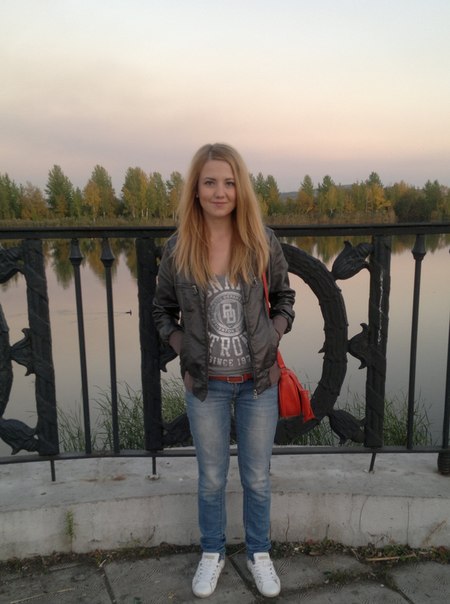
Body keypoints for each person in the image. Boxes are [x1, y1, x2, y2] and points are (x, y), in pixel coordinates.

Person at [153, 143, 295, 598]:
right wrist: (183, 347)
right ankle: (212, 551)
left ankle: (259, 554)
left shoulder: (260, 240)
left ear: (241, 188)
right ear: (195, 189)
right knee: (211, 478)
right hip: (206, 387)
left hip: (258, 384)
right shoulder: (179, 248)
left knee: (257, 477)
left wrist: (273, 335)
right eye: (210, 182)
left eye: (229, 183)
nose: (220, 192)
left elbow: (285, 299)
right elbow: (161, 311)